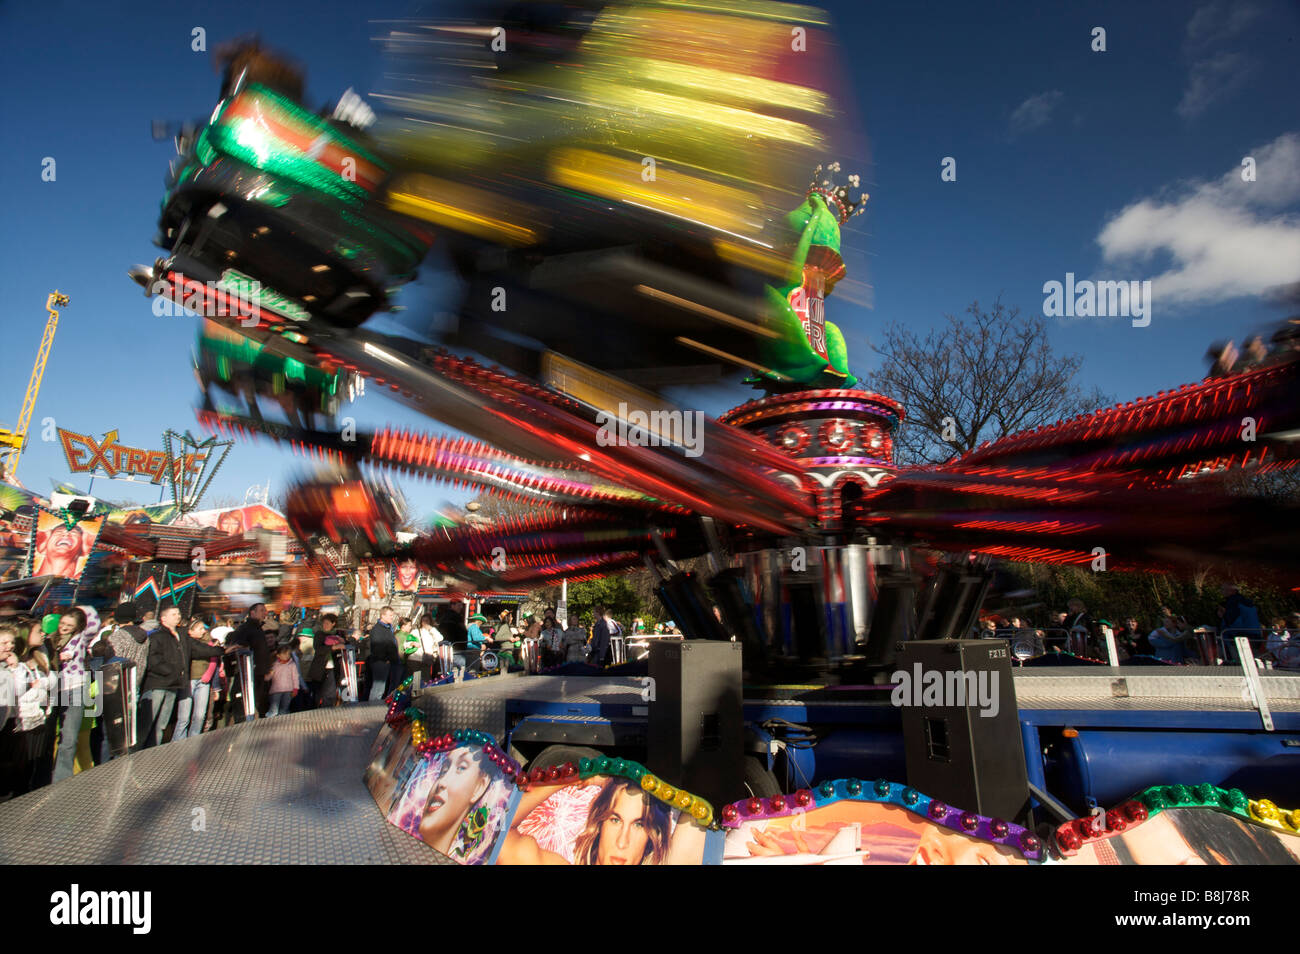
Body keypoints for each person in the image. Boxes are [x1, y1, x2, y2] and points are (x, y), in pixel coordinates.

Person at [134, 605, 226, 748]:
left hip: (173, 684)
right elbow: (153, 660)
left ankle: (152, 752)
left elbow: (199, 649)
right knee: (147, 722)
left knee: (162, 724)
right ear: (163, 618)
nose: (177, 616)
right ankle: (137, 752)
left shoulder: (182, 636)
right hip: (157, 684)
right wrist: (171, 671)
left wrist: (220, 650)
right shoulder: (157, 636)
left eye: (178, 613)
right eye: (173, 614)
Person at [52, 607, 96, 783]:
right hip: (57, 689)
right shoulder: (52, 639)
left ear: (78, 626)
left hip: (76, 687)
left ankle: (61, 779)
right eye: (62, 623)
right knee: (55, 736)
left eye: (69, 625)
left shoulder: (80, 639)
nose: (64, 627)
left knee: (69, 737)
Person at [173, 619, 220, 740]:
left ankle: (194, 739)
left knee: (200, 715)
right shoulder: (185, 643)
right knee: (184, 717)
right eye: (200, 629)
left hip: (203, 681)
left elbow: (213, 660)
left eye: (203, 629)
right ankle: (178, 741)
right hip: (188, 680)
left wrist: (208, 676)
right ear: (191, 631)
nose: (203, 631)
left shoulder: (208, 642)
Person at [226, 603, 272, 717]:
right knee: (244, 704)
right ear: (252, 613)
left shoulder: (259, 629)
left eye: (265, 611)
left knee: (257, 702)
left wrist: (267, 669)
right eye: (262, 610)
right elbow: (238, 647)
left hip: (259, 673)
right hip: (248, 673)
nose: (264, 613)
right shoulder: (245, 629)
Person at [368, 606, 401, 701]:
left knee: (381, 688)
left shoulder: (387, 628)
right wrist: (385, 659)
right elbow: (377, 647)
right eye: (390, 615)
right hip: (380, 662)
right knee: (378, 688)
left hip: (386, 661)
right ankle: (372, 708)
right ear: (383, 616)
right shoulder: (378, 629)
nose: (392, 617)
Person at [265, 644, 298, 717]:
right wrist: (267, 675)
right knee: (274, 709)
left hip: (288, 690)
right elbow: (268, 678)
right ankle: (270, 722)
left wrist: (295, 688)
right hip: (276, 690)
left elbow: (295, 677)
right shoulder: (275, 665)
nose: (287, 656)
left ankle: (283, 723)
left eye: (288, 654)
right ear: (278, 655)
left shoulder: (292, 664)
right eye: (284, 654)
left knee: (284, 709)